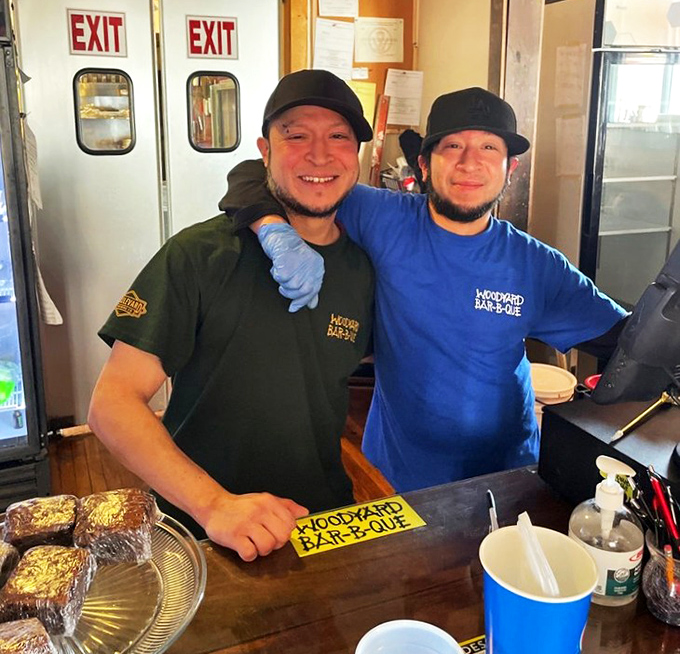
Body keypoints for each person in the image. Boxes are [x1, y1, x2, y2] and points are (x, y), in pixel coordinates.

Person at [221, 87, 628, 493]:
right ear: (424, 164)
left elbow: (627, 342)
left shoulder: (537, 265)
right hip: (395, 473)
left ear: (511, 168)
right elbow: (256, 173)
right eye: (452, 146)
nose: (470, 162)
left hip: (508, 474)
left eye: (489, 147)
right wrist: (272, 228)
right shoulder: (382, 218)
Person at [88, 69, 375, 561]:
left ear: (357, 155)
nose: (319, 155)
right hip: (200, 527)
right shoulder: (199, 255)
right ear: (265, 151)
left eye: (338, 137)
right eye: (296, 136)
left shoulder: (362, 269)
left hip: (320, 520)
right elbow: (112, 404)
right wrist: (214, 504)